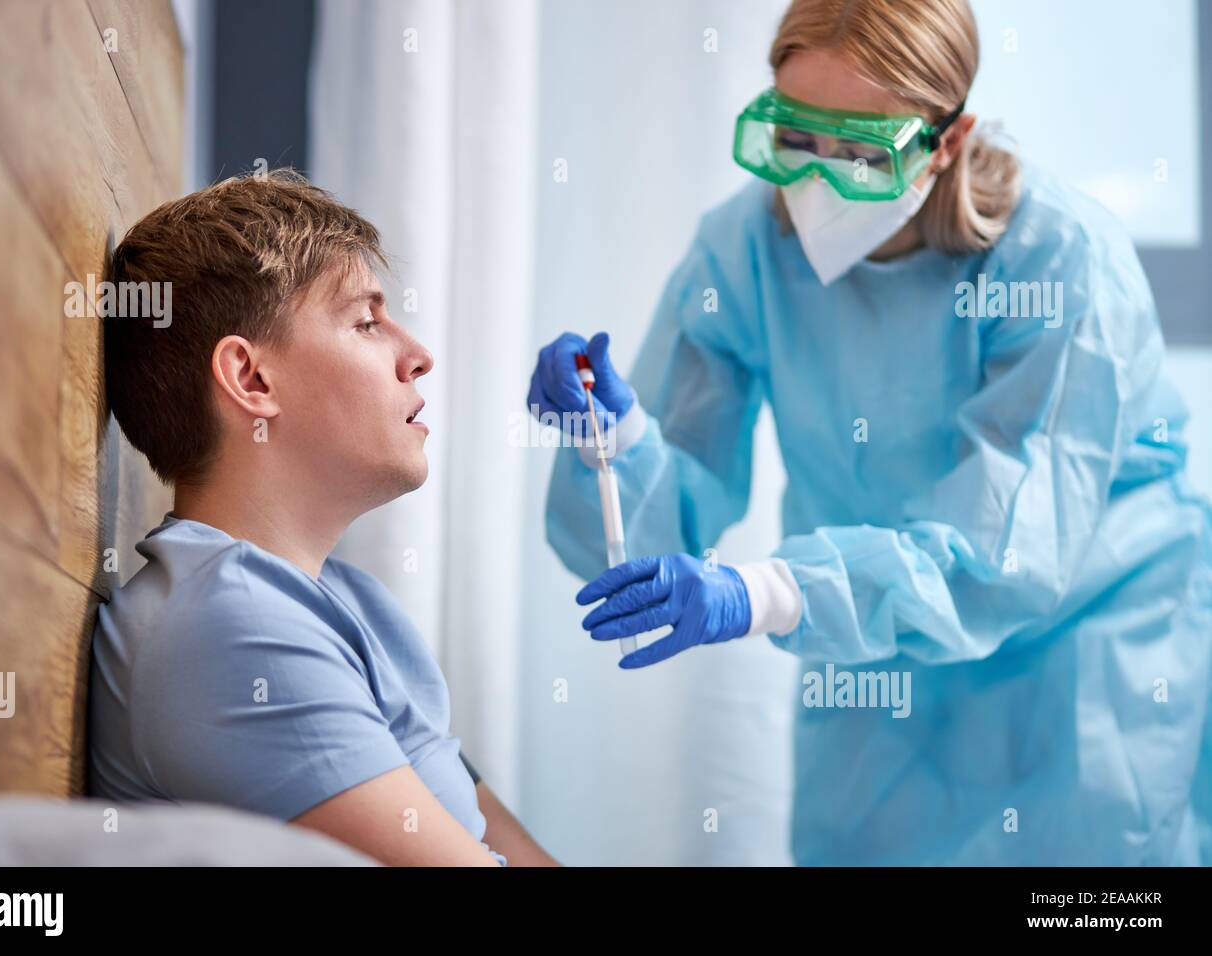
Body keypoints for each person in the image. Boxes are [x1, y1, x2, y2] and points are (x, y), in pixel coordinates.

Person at [531, 0, 1212, 865]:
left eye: (858, 150)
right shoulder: (741, 250)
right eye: (792, 136)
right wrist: (614, 442)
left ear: (950, 139)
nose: (814, 181)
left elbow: (1005, 555)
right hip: (869, 638)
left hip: (1087, 647)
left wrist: (771, 594)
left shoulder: (1060, 259)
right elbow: (650, 532)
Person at [88, 170, 559, 867]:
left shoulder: (348, 601)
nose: (418, 355)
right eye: (367, 321)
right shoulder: (231, 629)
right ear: (251, 380)